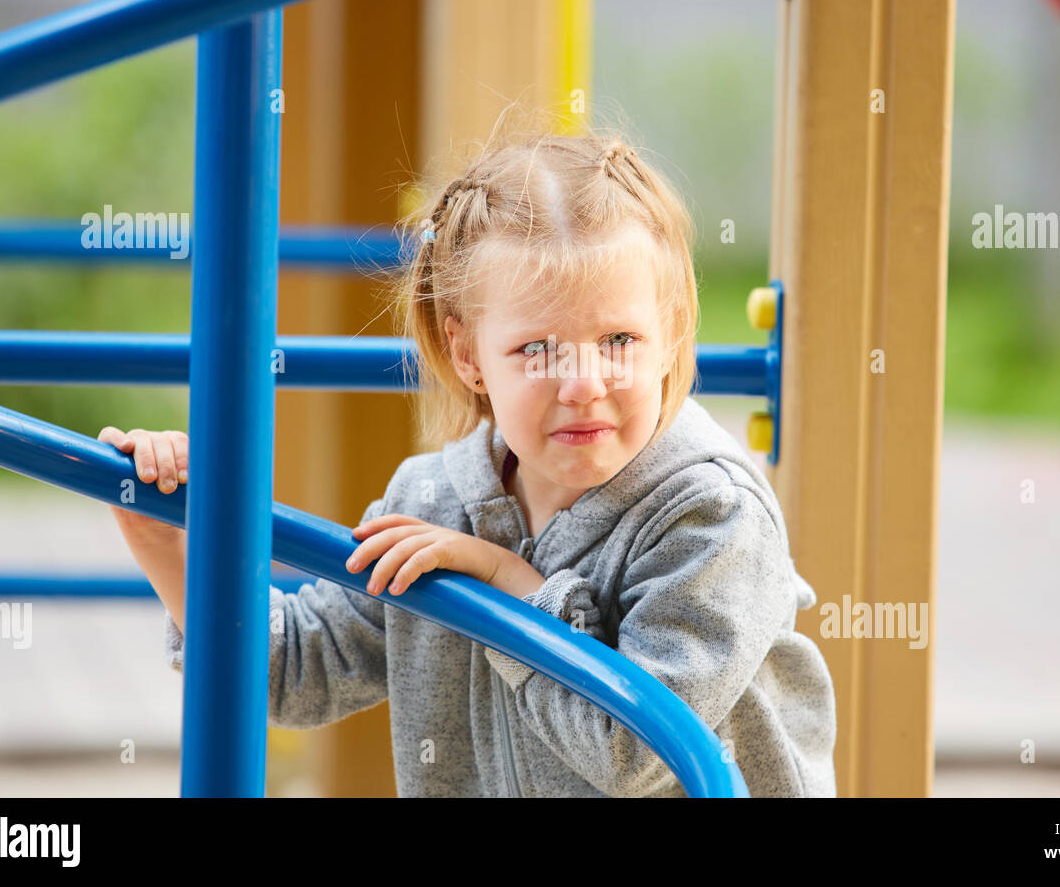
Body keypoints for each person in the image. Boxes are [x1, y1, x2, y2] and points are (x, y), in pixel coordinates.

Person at [99, 105, 837, 797]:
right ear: (468, 353)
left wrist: (506, 586)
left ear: (671, 332)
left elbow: (634, 747)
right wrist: (172, 546)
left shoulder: (710, 518)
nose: (582, 383)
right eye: (536, 348)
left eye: (619, 341)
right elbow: (295, 671)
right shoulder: (431, 502)